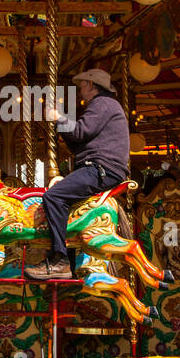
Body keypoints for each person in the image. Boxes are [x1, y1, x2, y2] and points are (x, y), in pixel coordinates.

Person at [24, 69, 130, 281]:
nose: (81, 91)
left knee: (54, 196)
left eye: (82, 86)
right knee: (65, 200)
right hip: (99, 167)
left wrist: (59, 117)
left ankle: (59, 261)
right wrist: (61, 127)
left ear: (92, 85)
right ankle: (69, 265)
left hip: (101, 168)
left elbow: (81, 131)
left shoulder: (103, 103)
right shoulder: (105, 106)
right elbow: (79, 141)